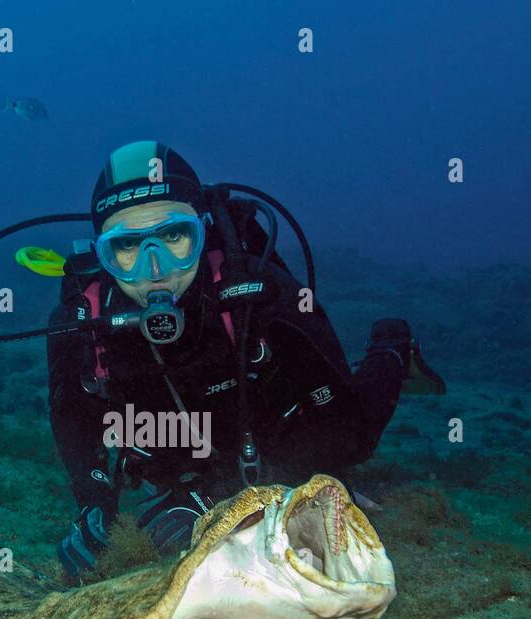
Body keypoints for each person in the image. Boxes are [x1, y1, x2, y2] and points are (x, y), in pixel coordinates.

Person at [50, 141, 444, 580]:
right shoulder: (80, 322)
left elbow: (335, 427)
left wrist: (213, 497)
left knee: (354, 441)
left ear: (201, 231)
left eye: (174, 236)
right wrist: (94, 504)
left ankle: (392, 347)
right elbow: (72, 417)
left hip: (270, 426)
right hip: (174, 446)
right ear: (103, 255)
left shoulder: (263, 294)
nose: (155, 269)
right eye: (127, 245)